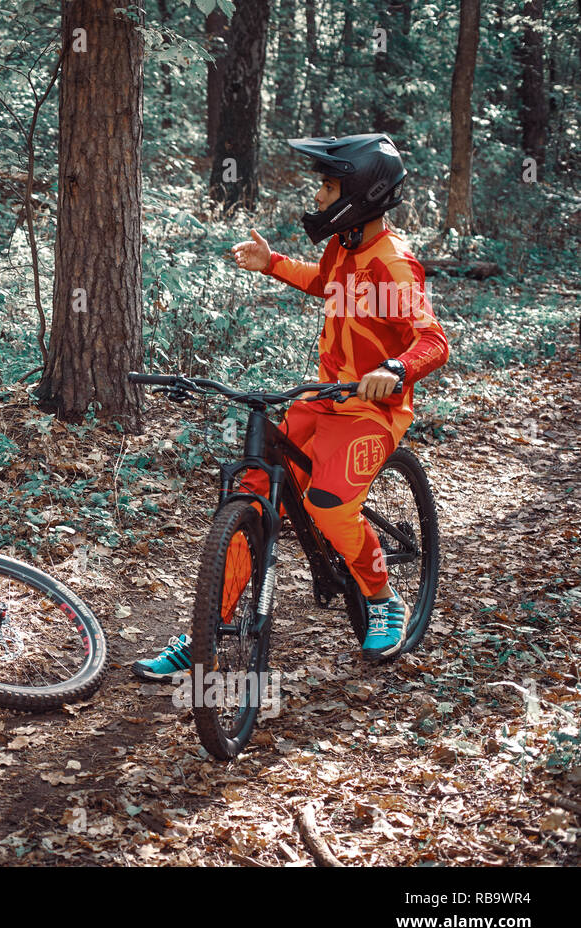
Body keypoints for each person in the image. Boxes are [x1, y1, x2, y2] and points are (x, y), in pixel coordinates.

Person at [134, 133, 449, 680]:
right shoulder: (342, 247)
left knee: (329, 508)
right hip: (322, 401)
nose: (320, 197)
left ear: (361, 193)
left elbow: (434, 341)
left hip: (372, 412)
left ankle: (382, 598)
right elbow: (323, 281)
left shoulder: (393, 266)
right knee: (252, 495)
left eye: (329, 186)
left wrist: (393, 370)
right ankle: (207, 629)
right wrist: (271, 263)